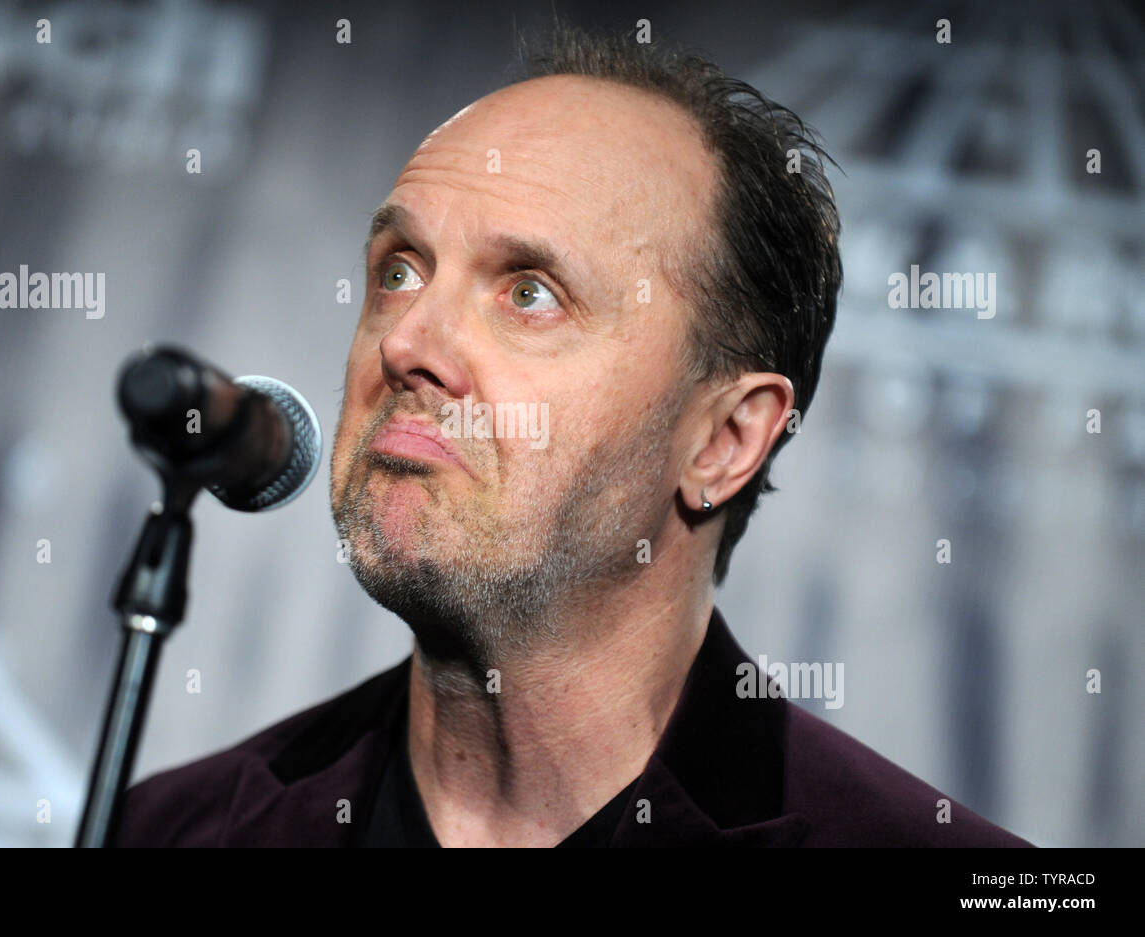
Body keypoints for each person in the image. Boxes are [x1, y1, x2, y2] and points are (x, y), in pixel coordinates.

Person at [114, 25, 1032, 848]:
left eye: (529, 293)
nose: (405, 344)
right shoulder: (170, 831)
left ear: (724, 439)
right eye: (400, 271)